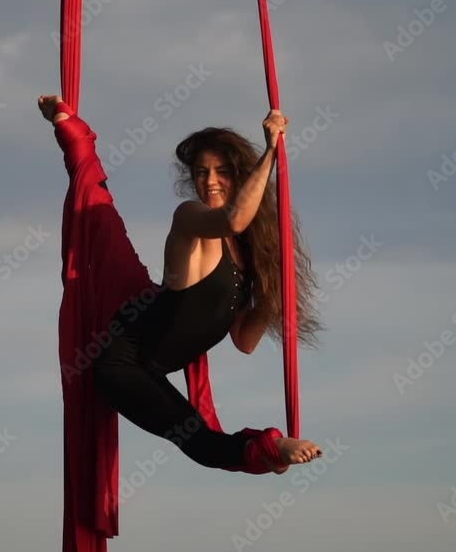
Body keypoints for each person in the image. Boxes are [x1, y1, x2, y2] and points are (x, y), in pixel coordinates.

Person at [40, 94, 325, 474]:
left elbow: (244, 340)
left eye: (221, 171)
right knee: (200, 442)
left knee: (203, 442)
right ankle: (271, 447)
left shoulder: (245, 255)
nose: (209, 181)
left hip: (150, 367)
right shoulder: (192, 220)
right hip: (119, 364)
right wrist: (271, 152)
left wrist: (275, 297)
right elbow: (234, 220)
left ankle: (270, 450)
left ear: (237, 176)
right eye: (201, 172)